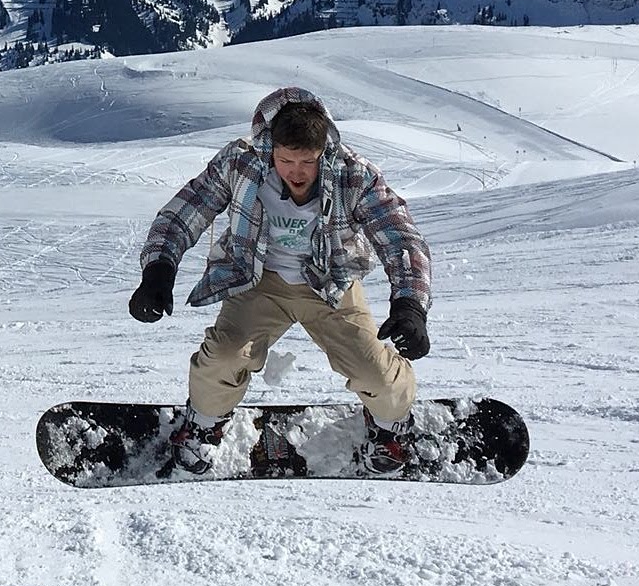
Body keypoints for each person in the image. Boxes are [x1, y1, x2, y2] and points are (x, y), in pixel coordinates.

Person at [129, 86, 432, 475]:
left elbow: (400, 237)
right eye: (287, 160)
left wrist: (410, 304)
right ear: (270, 147)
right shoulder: (240, 164)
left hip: (328, 283)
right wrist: (159, 269)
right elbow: (185, 210)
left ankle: (391, 425)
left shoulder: (353, 175)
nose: (297, 172)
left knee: (375, 372)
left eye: (308, 161)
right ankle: (203, 425)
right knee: (223, 356)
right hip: (256, 281)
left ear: (324, 150)